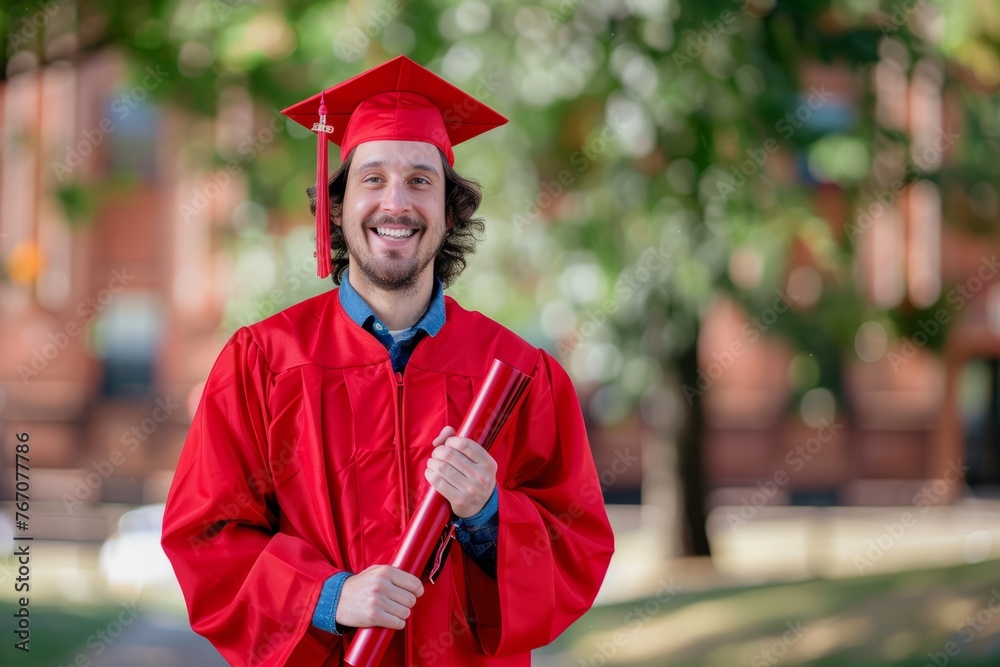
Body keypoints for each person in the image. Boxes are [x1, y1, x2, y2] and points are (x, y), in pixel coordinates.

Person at [161, 55, 615, 667]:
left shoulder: (517, 372)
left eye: (420, 180)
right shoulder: (264, 361)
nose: (396, 203)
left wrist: (489, 513)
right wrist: (329, 596)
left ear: (450, 211)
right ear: (339, 205)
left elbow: (578, 544)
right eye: (372, 178)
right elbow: (205, 534)